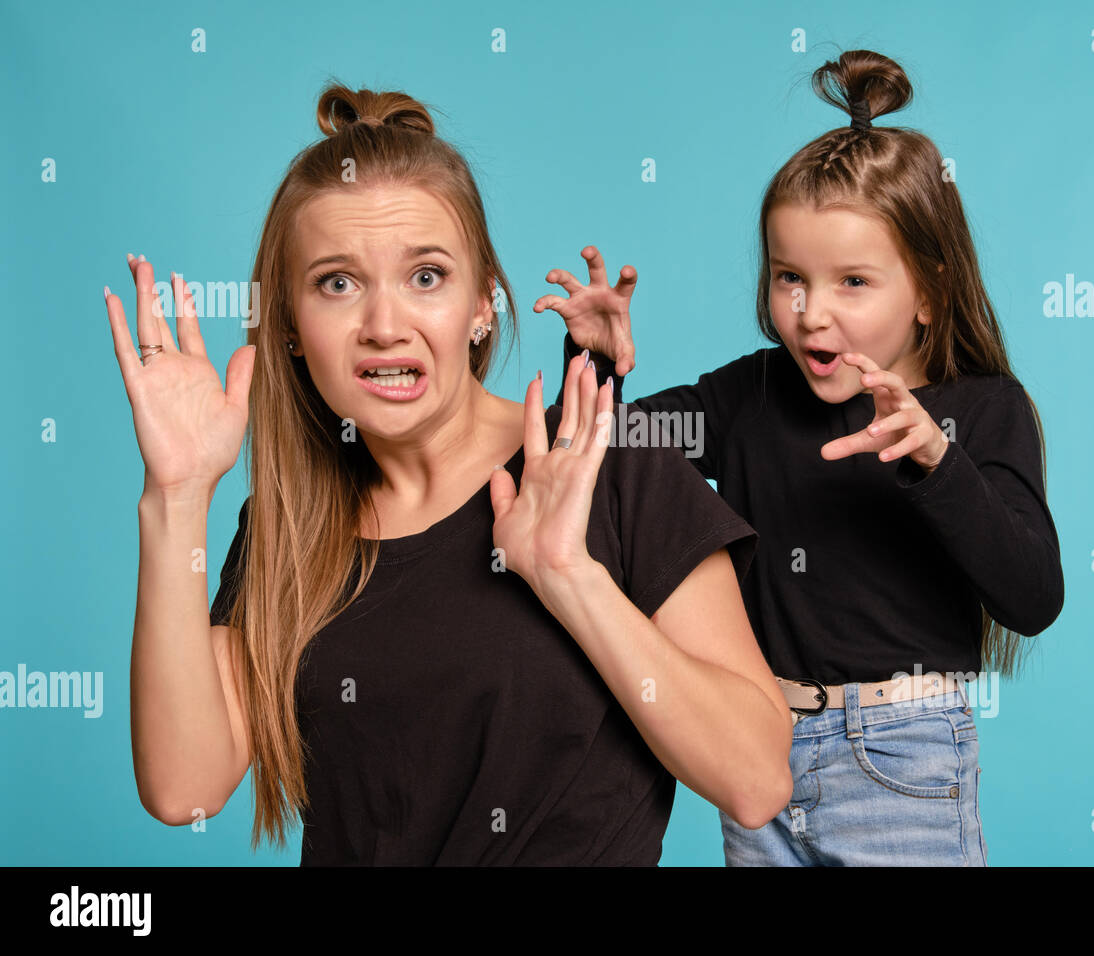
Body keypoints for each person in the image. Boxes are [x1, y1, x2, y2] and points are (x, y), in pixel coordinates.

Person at [106, 83, 792, 865]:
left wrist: (568, 574)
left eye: (425, 276)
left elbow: (757, 778)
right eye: (338, 283)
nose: (385, 326)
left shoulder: (608, 461)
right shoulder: (285, 527)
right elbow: (183, 790)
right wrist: (178, 492)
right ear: (292, 328)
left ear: (482, 304)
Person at [540, 49, 1065, 866]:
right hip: (764, 758)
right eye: (791, 278)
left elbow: (1032, 598)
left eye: (853, 282)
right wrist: (595, 366)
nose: (811, 314)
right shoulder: (749, 397)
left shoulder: (982, 409)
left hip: (904, 755)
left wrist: (935, 459)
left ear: (928, 289)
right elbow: (592, 452)